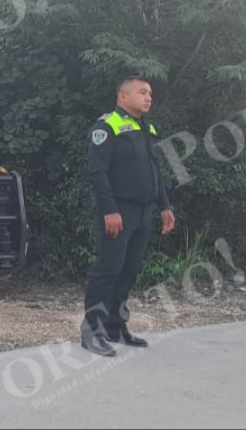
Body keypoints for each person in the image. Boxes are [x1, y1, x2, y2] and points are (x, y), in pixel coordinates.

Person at [81, 76, 175, 357]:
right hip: (118, 212)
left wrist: (165, 206)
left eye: (150, 94)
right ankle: (92, 331)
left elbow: (153, 171)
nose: (148, 98)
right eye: (142, 92)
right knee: (108, 270)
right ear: (123, 96)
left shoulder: (146, 127)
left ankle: (115, 325)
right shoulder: (106, 127)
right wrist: (110, 209)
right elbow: (98, 172)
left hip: (144, 212)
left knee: (128, 271)